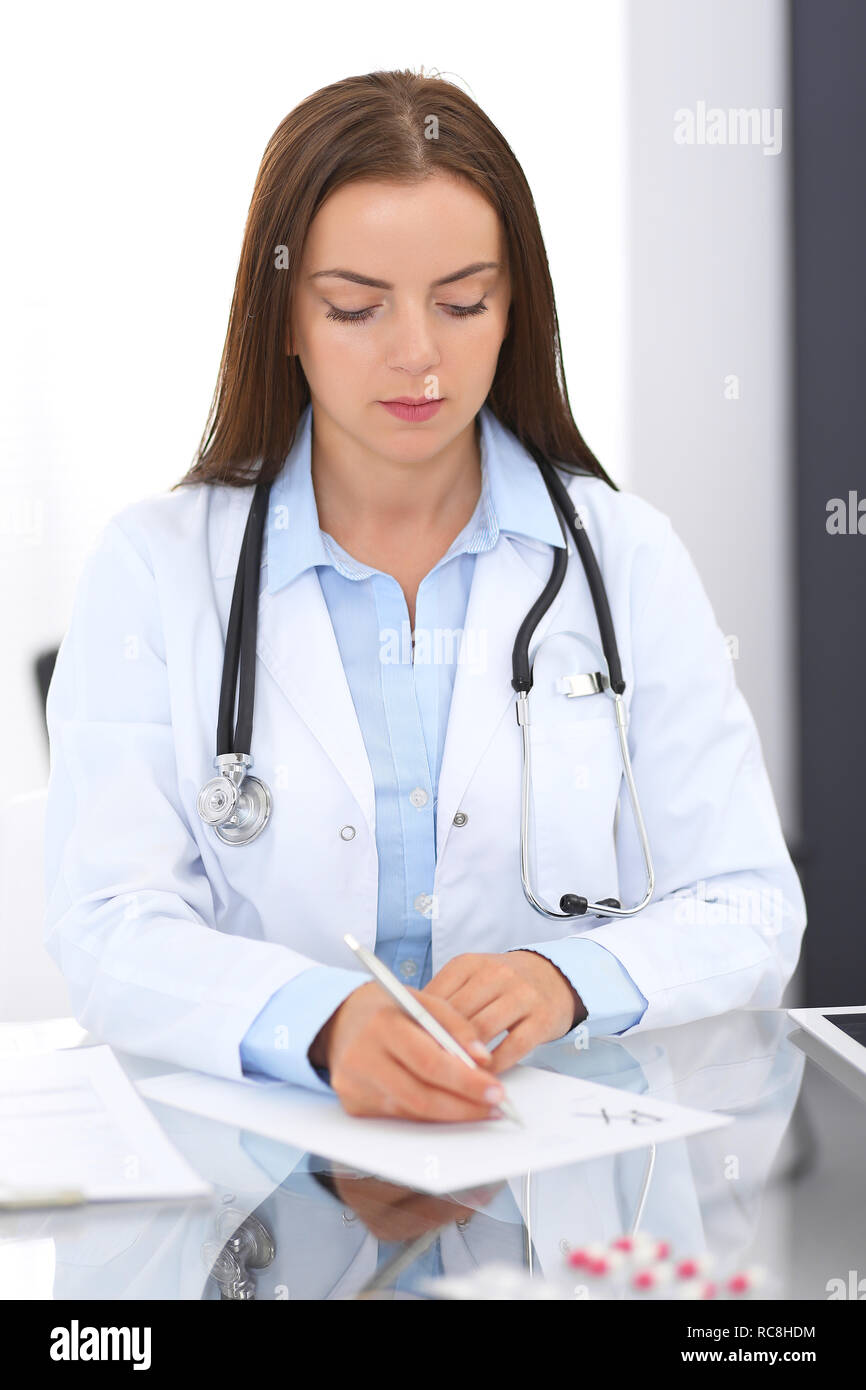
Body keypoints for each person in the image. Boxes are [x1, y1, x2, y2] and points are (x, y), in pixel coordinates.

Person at [43, 69, 807, 1125]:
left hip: (556, 1173)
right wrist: (318, 1020)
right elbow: (108, 924)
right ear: (285, 321)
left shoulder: (622, 556)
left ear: (512, 311)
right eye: (354, 306)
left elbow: (748, 905)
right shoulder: (154, 566)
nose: (418, 356)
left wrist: (566, 980)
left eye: (461, 303)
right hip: (261, 1182)